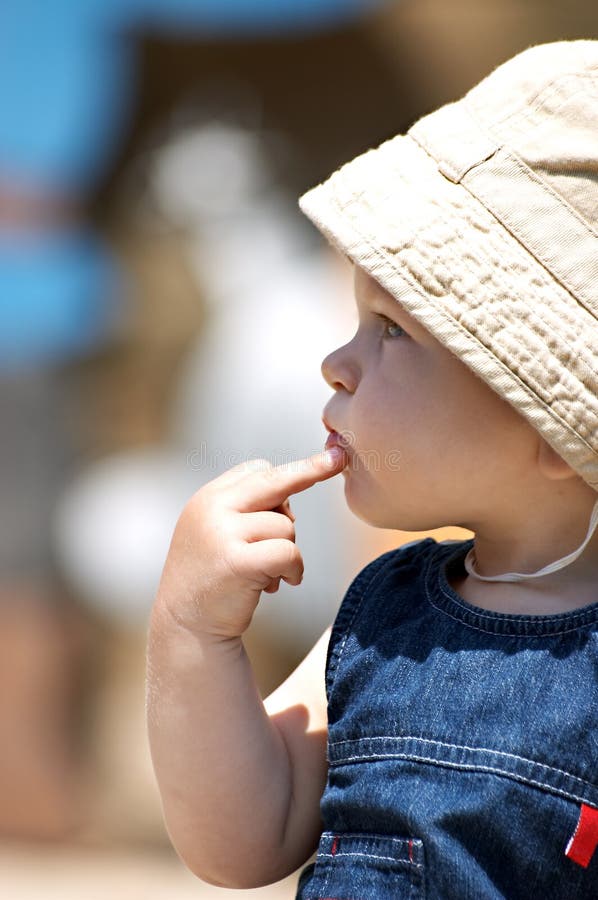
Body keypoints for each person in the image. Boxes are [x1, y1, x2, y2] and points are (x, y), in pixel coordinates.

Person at [145, 40, 598, 898]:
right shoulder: (383, 616)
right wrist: (193, 637)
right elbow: (245, 836)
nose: (336, 364)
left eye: (392, 330)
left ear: (551, 423)